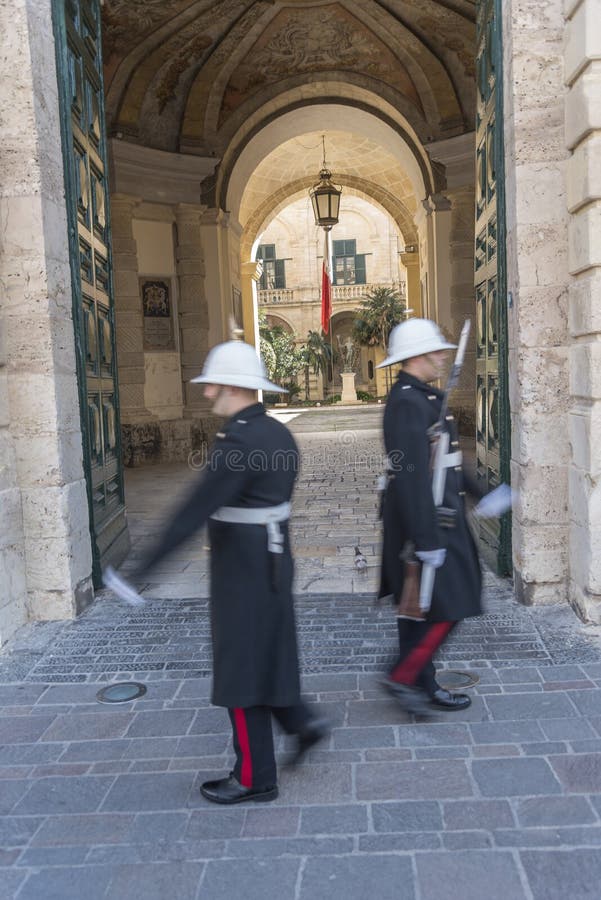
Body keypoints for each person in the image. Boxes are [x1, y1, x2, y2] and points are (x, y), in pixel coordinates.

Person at [105, 340, 327, 804]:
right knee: (269, 650)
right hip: (273, 558)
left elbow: (192, 510)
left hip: (242, 568)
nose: (207, 395)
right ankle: (302, 724)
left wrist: (141, 568)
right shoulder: (276, 434)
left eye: (212, 386)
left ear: (231, 386)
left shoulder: (240, 441)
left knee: (241, 668)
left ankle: (253, 776)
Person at [376, 318, 509, 714]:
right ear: (415, 356)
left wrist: (487, 495)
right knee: (451, 601)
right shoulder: (405, 402)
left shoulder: (426, 398)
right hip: (426, 520)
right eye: (435, 351)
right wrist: (428, 540)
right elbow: (413, 476)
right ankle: (402, 675)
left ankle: (420, 683)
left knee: (418, 608)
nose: (441, 357)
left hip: (440, 512)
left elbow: (447, 460)